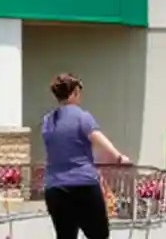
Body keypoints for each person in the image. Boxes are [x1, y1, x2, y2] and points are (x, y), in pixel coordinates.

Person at [42, 73, 130, 239]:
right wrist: (119, 158)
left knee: (65, 235)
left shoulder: (48, 121)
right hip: (82, 184)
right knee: (99, 234)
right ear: (74, 92)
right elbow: (100, 141)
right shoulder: (82, 117)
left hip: (54, 186)